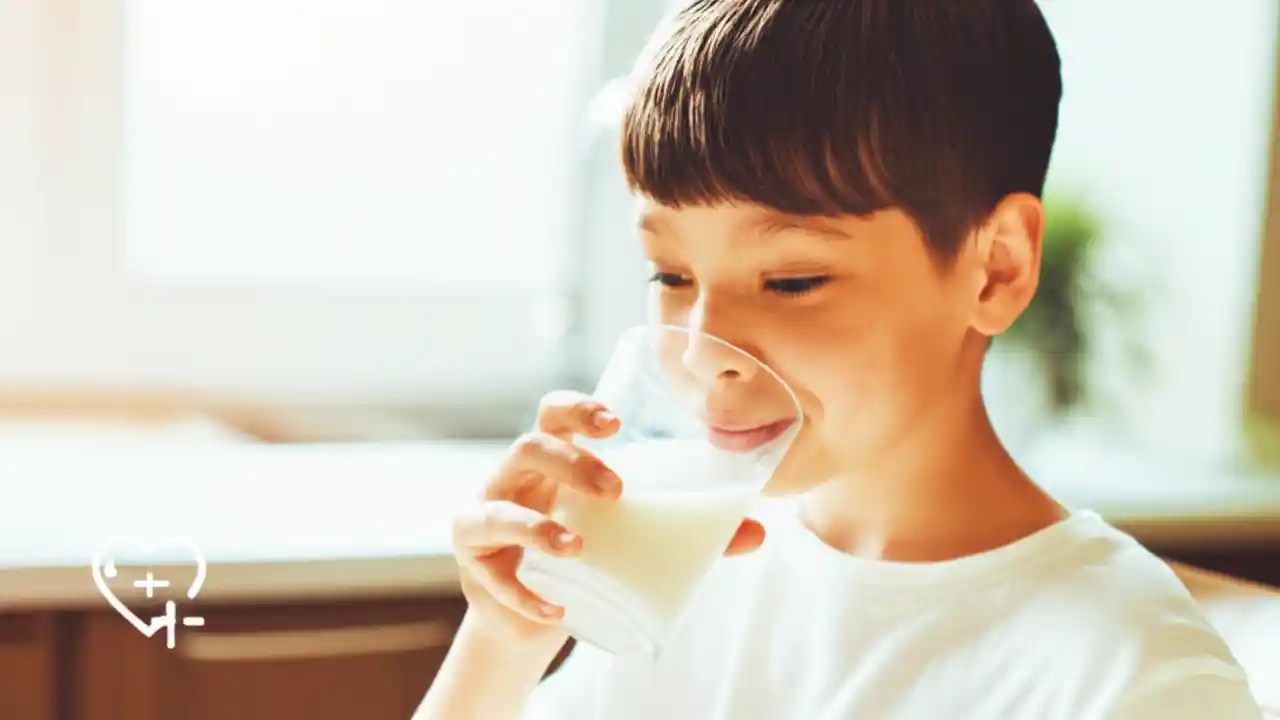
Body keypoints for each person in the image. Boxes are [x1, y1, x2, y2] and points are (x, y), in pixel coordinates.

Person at [416, 1, 1264, 717]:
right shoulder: (681, 573)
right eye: (670, 274)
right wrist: (503, 641)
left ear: (996, 266)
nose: (708, 350)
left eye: (792, 280)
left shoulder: (1131, 678)